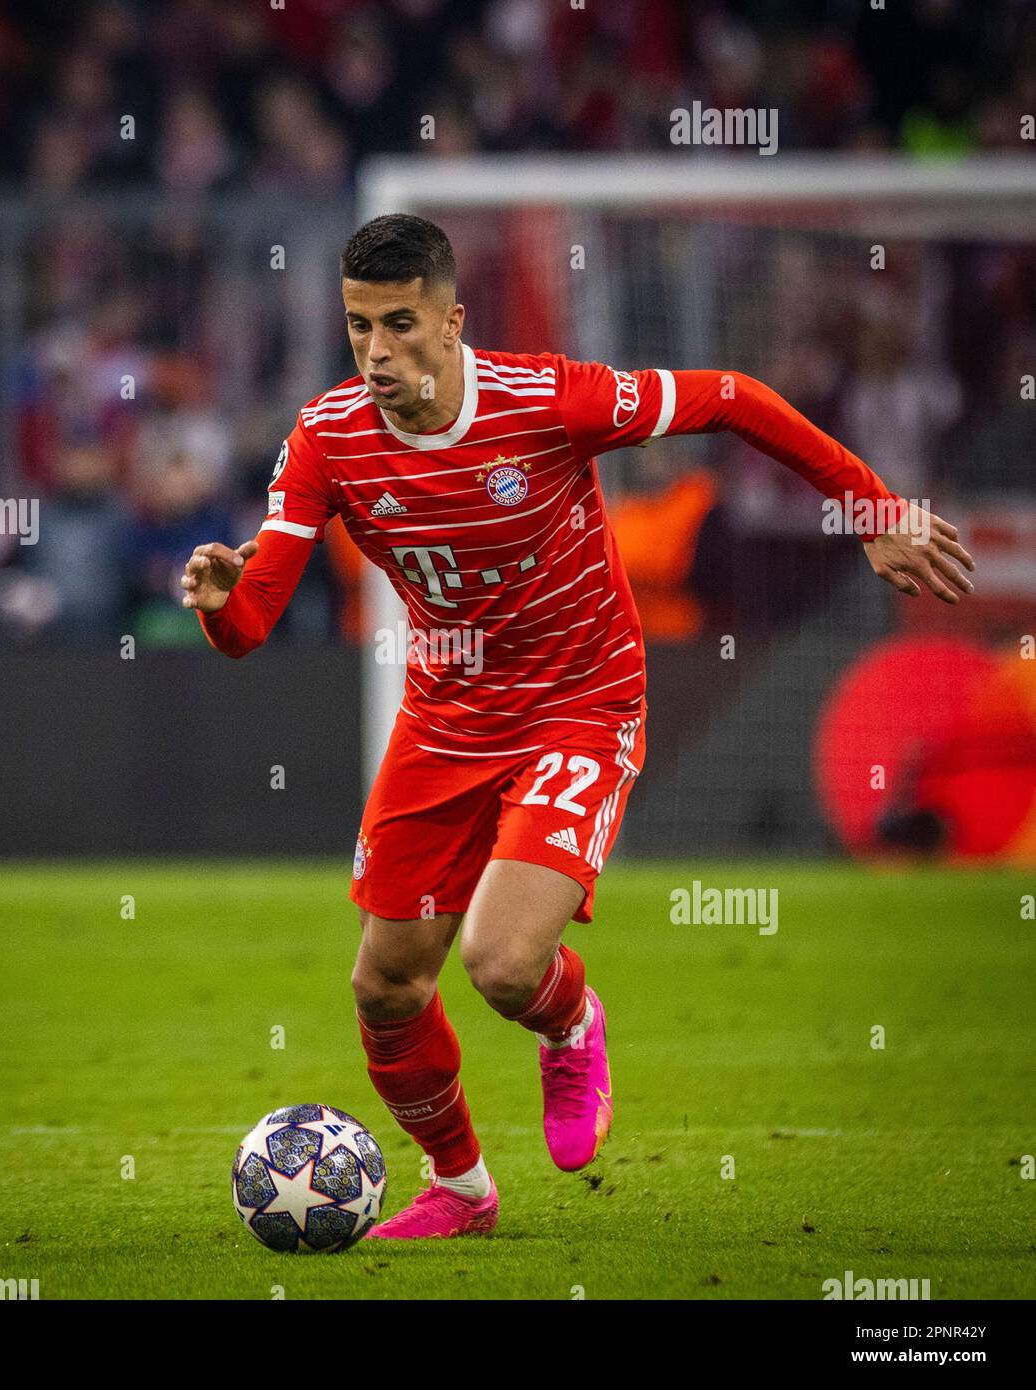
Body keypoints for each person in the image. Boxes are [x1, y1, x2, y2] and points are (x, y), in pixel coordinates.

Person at [181, 214, 975, 1240]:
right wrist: (213, 597)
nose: (377, 352)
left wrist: (871, 508)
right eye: (358, 328)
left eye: (400, 324)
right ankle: (460, 1190)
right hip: (447, 716)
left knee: (501, 963)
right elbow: (250, 626)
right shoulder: (325, 438)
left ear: (452, 319)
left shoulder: (549, 400)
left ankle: (569, 1020)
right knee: (384, 984)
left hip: (579, 703)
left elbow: (730, 398)